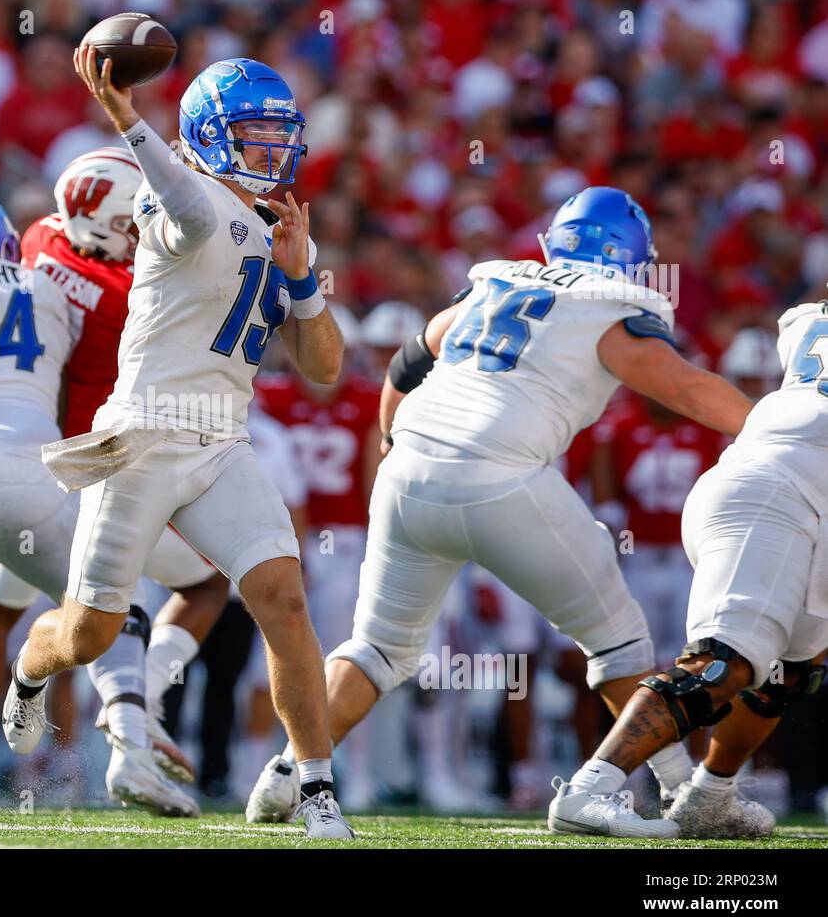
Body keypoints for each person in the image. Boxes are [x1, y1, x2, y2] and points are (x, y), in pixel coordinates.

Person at [247, 186, 752, 837]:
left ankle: (290, 770)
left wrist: (393, 442)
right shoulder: (608, 307)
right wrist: (776, 428)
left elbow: (407, 363)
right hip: (500, 475)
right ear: (631, 259)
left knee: (377, 648)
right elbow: (685, 386)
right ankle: (677, 790)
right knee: (619, 639)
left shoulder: (494, 286)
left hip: (410, 472)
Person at [0, 50, 352, 839]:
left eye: (279, 135)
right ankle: (30, 667)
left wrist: (299, 276)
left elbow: (324, 366)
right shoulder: (181, 206)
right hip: (146, 434)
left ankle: (319, 790)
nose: (274, 150)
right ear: (209, 137)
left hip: (224, 439)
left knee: (284, 600)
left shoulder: (283, 225)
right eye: (256, 135)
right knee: (89, 632)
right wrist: (126, 116)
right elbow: (183, 198)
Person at [0, 150, 229, 817]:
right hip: (98, 459)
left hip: (25, 457)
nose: (145, 228)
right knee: (179, 591)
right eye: (134, 218)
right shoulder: (124, 298)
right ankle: (140, 731)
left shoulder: (40, 239)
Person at [549, 300, 828, 838]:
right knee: (722, 665)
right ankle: (589, 788)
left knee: (788, 671)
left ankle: (709, 797)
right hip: (777, 495)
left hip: (794, 490)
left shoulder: (806, 318)